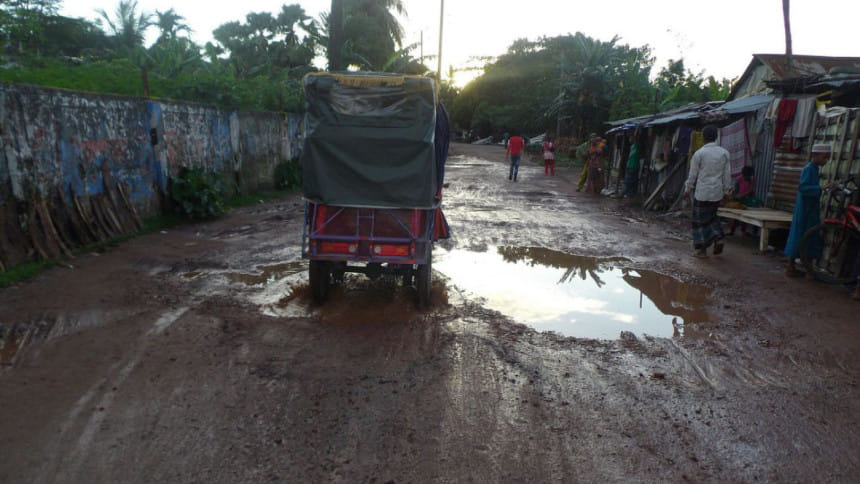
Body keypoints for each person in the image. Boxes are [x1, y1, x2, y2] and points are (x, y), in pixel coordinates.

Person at [683, 124, 732, 257]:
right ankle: (718, 237)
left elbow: (692, 174)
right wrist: (727, 191)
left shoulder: (699, 153)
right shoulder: (724, 153)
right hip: (716, 192)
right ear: (716, 136)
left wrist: (687, 189)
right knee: (712, 217)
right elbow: (727, 175)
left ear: (704, 137)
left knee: (699, 222)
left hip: (702, 192)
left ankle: (702, 250)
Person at [784, 143, 831, 276]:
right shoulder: (809, 168)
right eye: (824, 157)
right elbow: (803, 188)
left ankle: (803, 266)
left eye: (827, 158)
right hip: (805, 207)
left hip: (810, 207)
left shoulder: (814, 168)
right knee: (799, 235)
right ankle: (791, 266)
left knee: (808, 235)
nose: (826, 161)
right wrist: (821, 189)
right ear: (814, 155)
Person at [727, 165, 759, 235]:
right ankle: (732, 231)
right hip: (739, 199)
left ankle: (745, 230)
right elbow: (735, 189)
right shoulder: (739, 179)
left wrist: (744, 195)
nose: (746, 177)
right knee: (735, 216)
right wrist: (733, 194)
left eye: (748, 176)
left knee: (747, 216)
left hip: (747, 198)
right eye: (745, 176)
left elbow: (751, 189)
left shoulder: (751, 179)